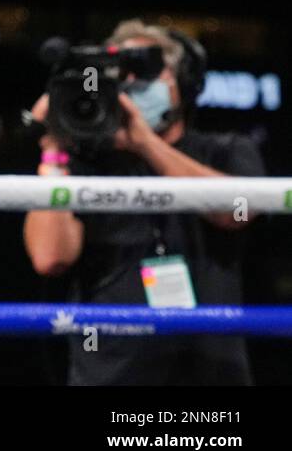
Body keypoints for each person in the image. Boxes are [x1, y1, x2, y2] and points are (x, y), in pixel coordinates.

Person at [23, 19, 266, 385]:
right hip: (108, 371)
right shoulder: (86, 164)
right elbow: (50, 257)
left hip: (211, 370)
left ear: (180, 85)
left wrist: (144, 143)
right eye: (122, 76)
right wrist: (54, 148)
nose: (132, 84)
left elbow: (237, 213)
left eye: (146, 73)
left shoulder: (225, 150)